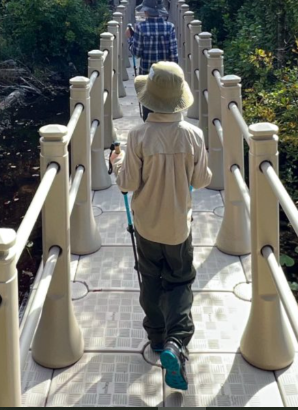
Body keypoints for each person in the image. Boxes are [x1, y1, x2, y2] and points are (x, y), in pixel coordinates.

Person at [109, 61, 212, 391]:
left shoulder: (137, 136)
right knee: (180, 281)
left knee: (150, 278)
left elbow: (127, 184)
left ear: (147, 101)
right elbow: (202, 180)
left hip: (145, 227)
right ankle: (177, 342)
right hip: (178, 228)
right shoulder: (193, 135)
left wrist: (117, 163)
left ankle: (156, 337)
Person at [127, 0, 178, 120]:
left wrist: (130, 39)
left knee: (148, 107)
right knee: (165, 106)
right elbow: (174, 56)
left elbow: (136, 53)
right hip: (166, 76)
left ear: (146, 11)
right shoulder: (170, 27)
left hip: (147, 75)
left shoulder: (140, 27)